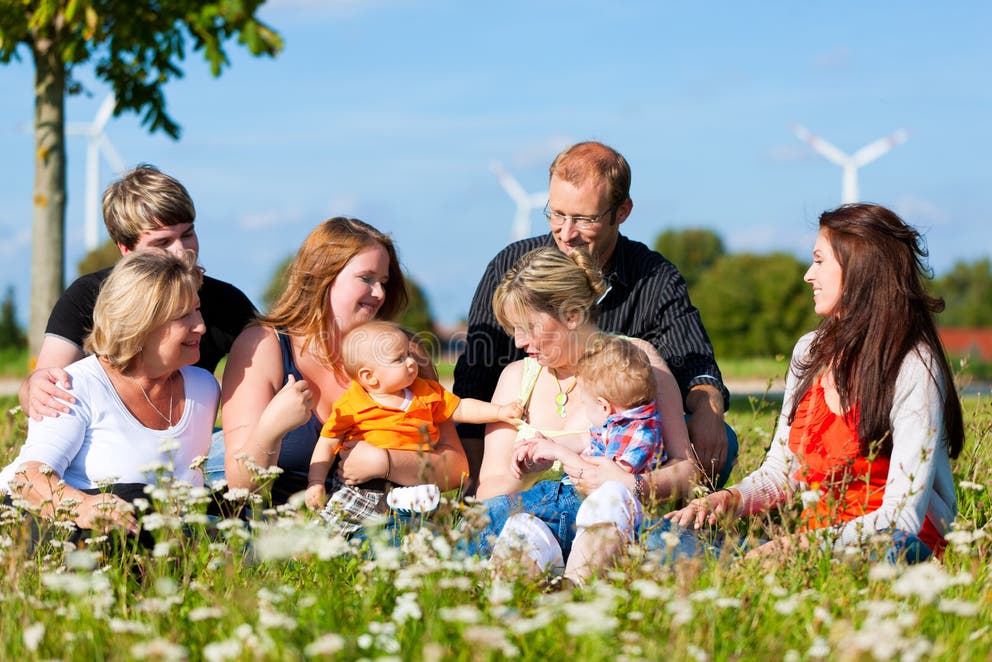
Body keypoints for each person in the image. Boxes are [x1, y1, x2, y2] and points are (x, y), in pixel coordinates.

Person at [667, 203, 964, 563]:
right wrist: (727, 499)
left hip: (887, 543)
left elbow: (903, 517)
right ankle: (738, 567)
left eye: (820, 260)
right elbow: (782, 472)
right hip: (811, 544)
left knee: (886, 551)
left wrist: (799, 547)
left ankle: (743, 568)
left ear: (860, 269)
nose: (809, 275)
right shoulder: (809, 351)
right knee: (656, 537)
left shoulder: (913, 364)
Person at [454, 141, 732, 491]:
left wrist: (708, 409)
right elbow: (474, 379)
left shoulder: (654, 278)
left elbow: (693, 363)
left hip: (629, 447)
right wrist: (477, 485)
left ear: (622, 211)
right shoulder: (511, 267)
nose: (567, 233)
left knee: (719, 436)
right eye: (556, 214)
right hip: (513, 427)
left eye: (584, 218)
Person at [468, 247, 695, 582]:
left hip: (613, 524)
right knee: (488, 516)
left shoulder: (634, 362)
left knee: (684, 548)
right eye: (514, 329)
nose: (519, 341)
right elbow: (491, 488)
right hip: (531, 518)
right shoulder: (517, 377)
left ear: (572, 315)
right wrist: (532, 465)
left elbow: (687, 470)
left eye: (528, 327)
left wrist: (631, 484)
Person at [221, 218, 469, 507]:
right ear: (322, 274)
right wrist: (271, 429)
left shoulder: (406, 354)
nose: (379, 293)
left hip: (385, 532)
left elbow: (457, 469)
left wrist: (386, 462)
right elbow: (240, 486)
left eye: (384, 282)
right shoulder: (263, 346)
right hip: (289, 536)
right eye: (367, 278)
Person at [0, 250, 218, 538]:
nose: (200, 325)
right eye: (182, 316)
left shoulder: (204, 387)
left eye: (198, 309)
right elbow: (28, 478)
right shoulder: (77, 386)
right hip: (57, 528)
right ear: (140, 326)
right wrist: (87, 506)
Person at [18, 164, 255, 421]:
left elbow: (279, 366)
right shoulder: (87, 297)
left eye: (188, 234)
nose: (181, 251)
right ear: (125, 249)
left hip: (193, 442)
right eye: (162, 242)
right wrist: (37, 388)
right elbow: (40, 386)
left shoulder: (226, 302)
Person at [304, 320, 523, 533]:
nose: (411, 362)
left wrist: (499, 411)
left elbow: (462, 408)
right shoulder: (351, 405)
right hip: (364, 486)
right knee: (328, 531)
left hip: (412, 484)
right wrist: (316, 481)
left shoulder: (425, 393)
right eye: (399, 358)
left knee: (414, 535)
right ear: (370, 377)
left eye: (409, 354)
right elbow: (327, 442)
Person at [502, 333, 666, 586]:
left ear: (603, 406)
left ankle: (575, 582)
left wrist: (558, 453)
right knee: (522, 523)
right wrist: (543, 444)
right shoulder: (615, 422)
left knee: (611, 494)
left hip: (603, 522)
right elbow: (584, 439)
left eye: (586, 404)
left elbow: (601, 478)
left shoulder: (640, 433)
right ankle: (507, 584)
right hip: (569, 508)